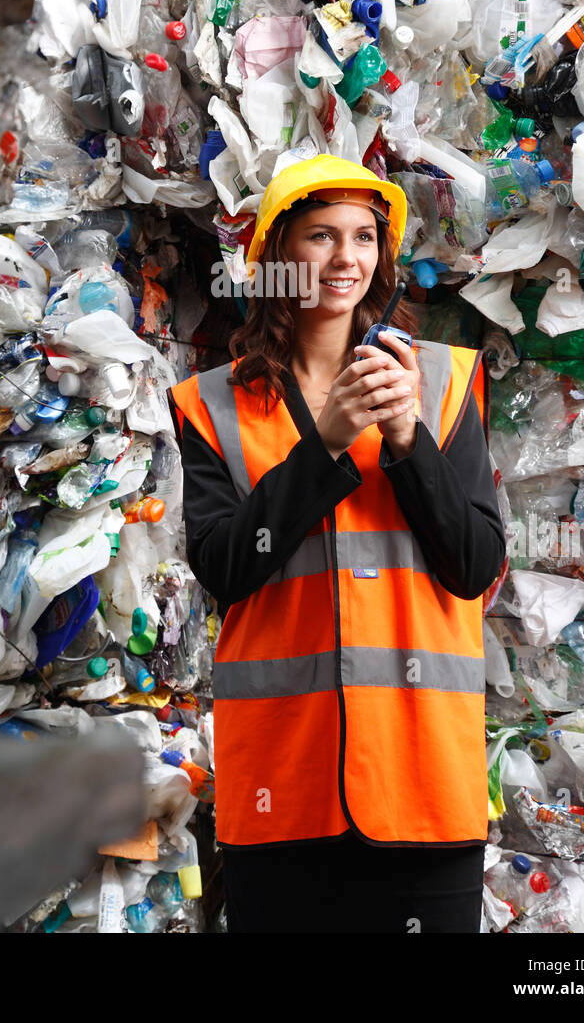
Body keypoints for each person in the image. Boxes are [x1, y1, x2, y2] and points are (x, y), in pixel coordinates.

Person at [168, 154, 507, 934]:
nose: (346, 258)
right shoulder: (210, 404)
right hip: (283, 791)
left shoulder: (443, 383)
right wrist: (324, 443)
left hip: (423, 784)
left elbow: (475, 566)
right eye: (320, 236)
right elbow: (225, 566)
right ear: (279, 258)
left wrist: (405, 438)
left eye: (363, 237)